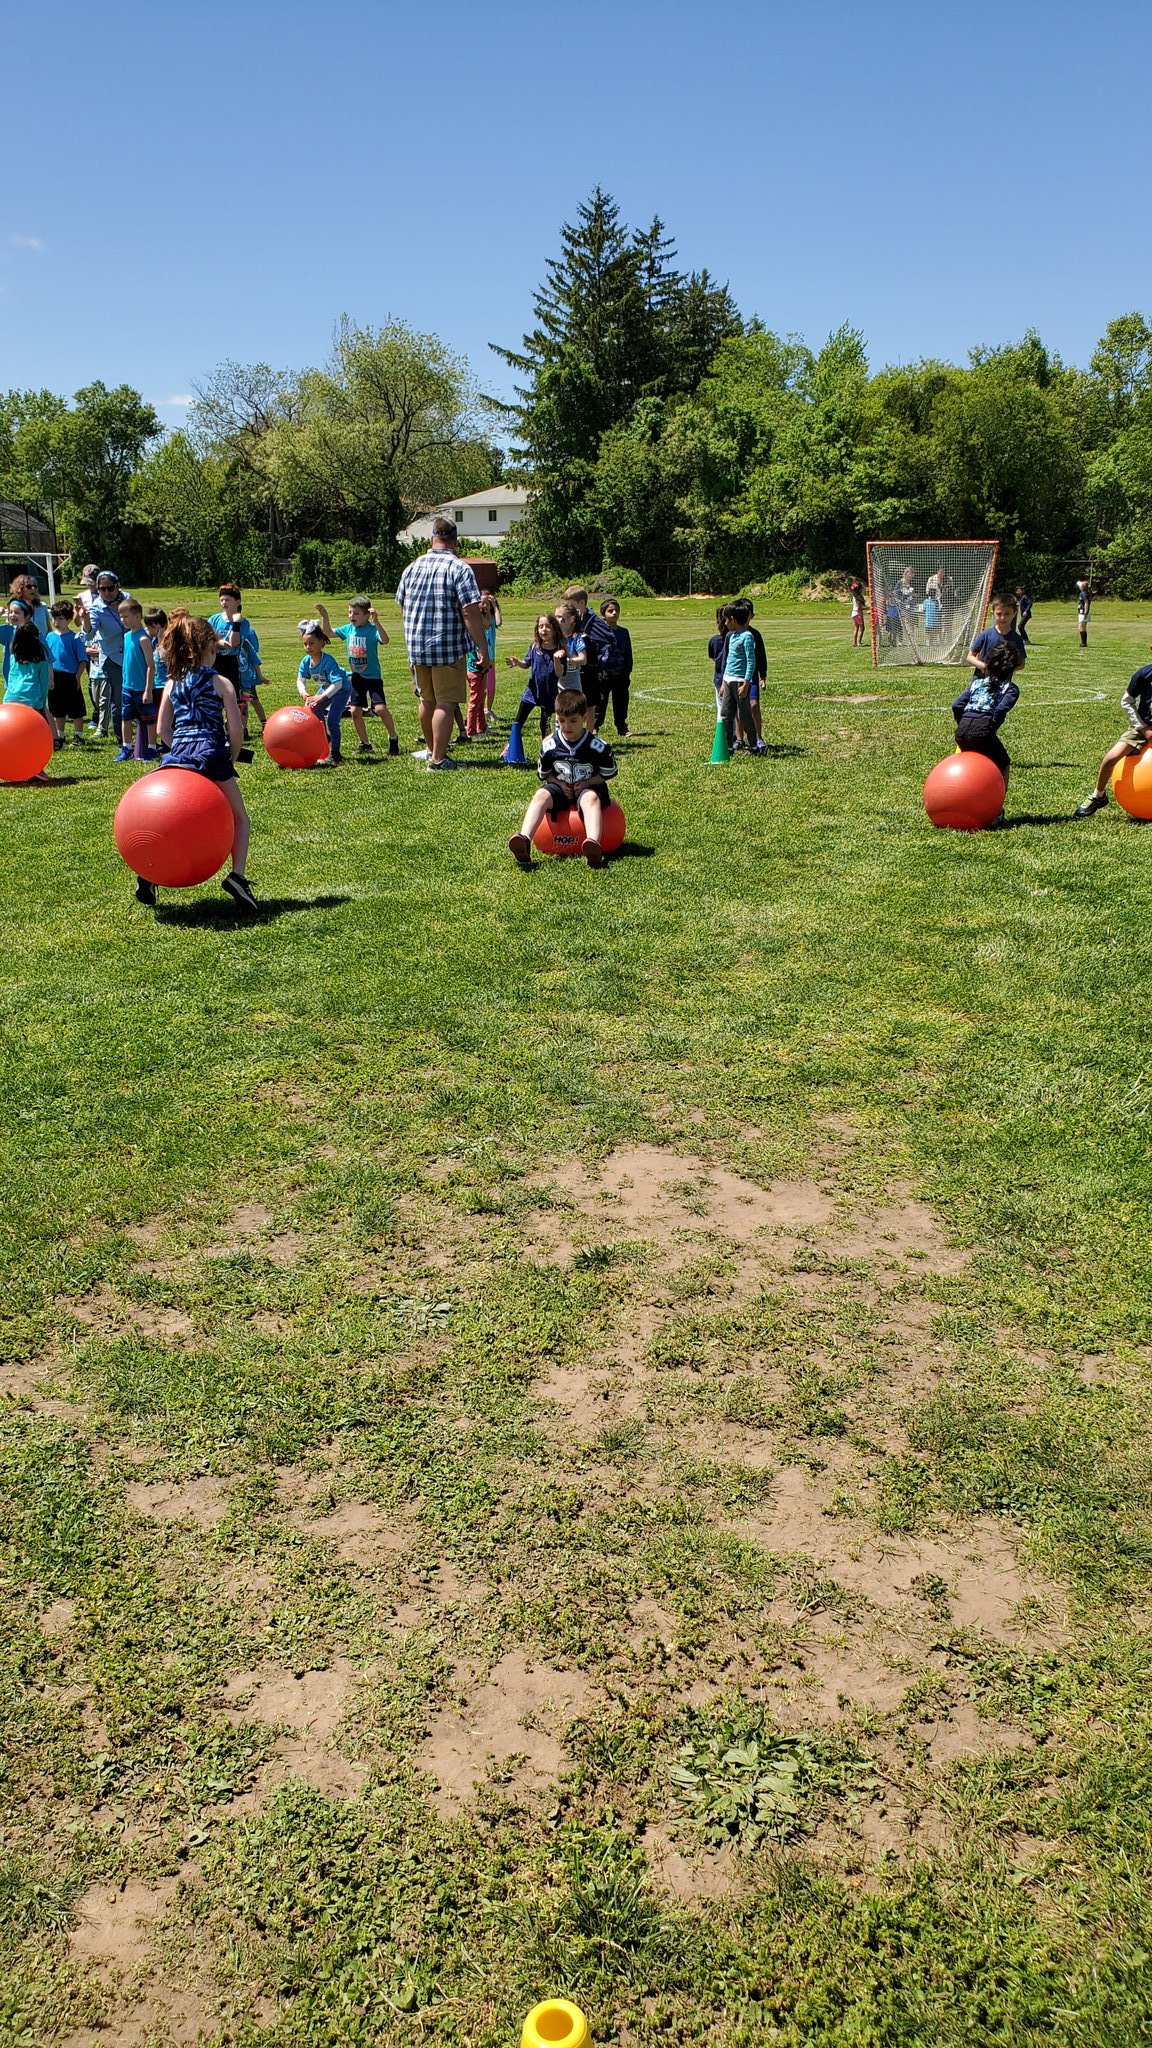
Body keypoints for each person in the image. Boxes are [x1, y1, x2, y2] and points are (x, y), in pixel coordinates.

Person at [148, 613, 256, 910]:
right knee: (240, 818)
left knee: (167, 817)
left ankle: (148, 871)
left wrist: (181, 747)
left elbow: (161, 730)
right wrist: (228, 758)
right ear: (210, 646)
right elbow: (236, 731)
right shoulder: (222, 683)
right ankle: (238, 876)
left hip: (178, 753)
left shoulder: (172, 682)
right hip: (210, 751)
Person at [395, 515, 490, 770]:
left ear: (432, 538)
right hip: (446, 647)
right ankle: (438, 759)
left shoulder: (412, 567)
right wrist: (482, 647)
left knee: (426, 700)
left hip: (416, 646)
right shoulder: (459, 568)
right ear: (455, 540)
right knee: (446, 703)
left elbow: (402, 604)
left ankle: (431, 751)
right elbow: (470, 611)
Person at [508, 687, 618, 869]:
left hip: (588, 789)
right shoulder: (550, 745)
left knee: (590, 798)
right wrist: (558, 783)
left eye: (573, 721)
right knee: (540, 795)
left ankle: (593, 846)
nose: (567, 726)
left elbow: (609, 772)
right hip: (560, 788)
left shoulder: (597, 747)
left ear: (584, 718)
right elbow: (544, 774)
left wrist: (588, 782)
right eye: (562, 721)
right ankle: (524, 840)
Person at [951, 638, 1022, 824]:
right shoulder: (1011, 689)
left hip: (962, 732)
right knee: (1004, 763)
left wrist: (963, 723)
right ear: (1012, 668)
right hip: (982, 730)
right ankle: (997, 810)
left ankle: (960, 801)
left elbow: (957, 705)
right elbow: (1000, 711)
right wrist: (989, 728)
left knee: (976, 766)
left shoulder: (977, 683)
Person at [316, 598, 399, 756]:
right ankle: (365, 744)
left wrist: (377, 622)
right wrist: (325, 616)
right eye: (349, 612)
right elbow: (328, 633)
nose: (351, 616)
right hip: (357, 678)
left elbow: (385, 640)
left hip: (373, 678)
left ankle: (393, 737)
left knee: (380, 709)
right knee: (355, 711)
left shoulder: (372, 630)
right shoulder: (348, 629)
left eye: (356, 613)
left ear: (367, 615)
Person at [1073, 657, 1152, 817]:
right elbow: (1126, 701)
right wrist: (1143, 728)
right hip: (1142, 728)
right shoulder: (1144, 674)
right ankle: (1098, 795)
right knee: (1110, 758)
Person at [2, 612, 53, 780]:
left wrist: (7, 699)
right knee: (35, 740)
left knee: (9, 738)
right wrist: (41, 705)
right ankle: (37, 767)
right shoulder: (41, 660)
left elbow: (11, 677)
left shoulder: (14, 656)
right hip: (31, 702)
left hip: (10, 700)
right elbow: (43, 684)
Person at [505, 612, 568, 747]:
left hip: (549, 693)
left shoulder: (560, 650)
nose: (544, 630)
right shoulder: (535, 647)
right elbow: (526, 664)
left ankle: (546, 749)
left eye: (547, 626)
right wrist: (518, 663)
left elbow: (560, 673)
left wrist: (557, 660)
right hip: (532, 691)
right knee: (518, 721)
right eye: (541, 626)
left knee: (544, 724)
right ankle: (509, 748)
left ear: (554, 630)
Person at [296, 619, 352, 766]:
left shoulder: (328, 661)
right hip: (327, 687)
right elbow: (300, 679)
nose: (308, 647)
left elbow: (338, 683)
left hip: (341, 689)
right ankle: (326, 738)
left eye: (312, 643)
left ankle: (336, 753)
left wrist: (321, 696)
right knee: (313, 710)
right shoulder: (306, 662)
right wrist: (304, 693)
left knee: (333, 720)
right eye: (305, 644)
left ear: (322, 642)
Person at [563, 584, 615, 730]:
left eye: (571, 604)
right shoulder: (572, 619)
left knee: (590, 704)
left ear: (581, 603)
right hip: (574, 669)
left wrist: (599, 658)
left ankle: (591, 733)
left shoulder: (594, 621)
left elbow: (610, 639)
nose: (568, 607)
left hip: (590, 669)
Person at [87, 570, 131, 741]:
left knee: (136, 693)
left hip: (131, 653)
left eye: (110, 588)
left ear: (117, 586)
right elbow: (89, 634)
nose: (106, 592)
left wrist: (121, 609)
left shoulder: (127, 598)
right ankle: (123, 740)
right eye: (101, 589)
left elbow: (136, 621)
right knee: (118, 697)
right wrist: (84, 622)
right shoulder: (97, 607)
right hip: (112, 656)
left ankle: (140, 735)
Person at [116, 598, 158, 761]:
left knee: (149, 720)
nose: (122, 620)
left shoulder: (144, 639)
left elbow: (150, 665)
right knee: (125, 718)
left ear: (137, 616)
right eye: (121, 617)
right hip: (127, 687)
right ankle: (126, 748)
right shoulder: (127, 637)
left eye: (125, 616)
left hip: (142, 688)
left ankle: (152, 749)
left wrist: (148, 689)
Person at [45, 600, 90, 746]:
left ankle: (79, 736)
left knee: (75, 708)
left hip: (70, 676)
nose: (56, 622)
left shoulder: (75, 638)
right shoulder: (49, 637)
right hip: (54, 676)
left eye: (60, 619)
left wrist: (77, 676)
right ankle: (60, 735)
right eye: (54, 618)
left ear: (69, 619)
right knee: (57, 709)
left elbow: (83, 660)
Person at [719, 601, 760, 753]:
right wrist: (724, 682)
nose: (724, 622)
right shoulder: (731, 636)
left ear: (734, 620)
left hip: (740, 682)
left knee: (744, 715)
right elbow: (729, 660)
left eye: (727, 619)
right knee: (726, 714)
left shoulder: (747, 637)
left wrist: (746, 683)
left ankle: (753, 744)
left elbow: (751, 661)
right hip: (729, 680)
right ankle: (727, 745)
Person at [967, 593, 1027, 678]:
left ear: (1014, 613)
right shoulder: (986, 635)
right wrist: (982, 666)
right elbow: (970, 656)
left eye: (1007, 614)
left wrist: (1005, 668)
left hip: (1003, 683)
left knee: (1014, 691)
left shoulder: (1016, 639)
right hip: (980, 681)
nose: (1002, 617)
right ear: (993, 613)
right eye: (999, 614)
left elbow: (1021, 664)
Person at [600, 598, 633, 735]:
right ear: (603, 613)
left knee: (621, 702)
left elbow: (628, 653)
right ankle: (595, 725)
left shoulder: (623, 632)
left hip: (620, 674)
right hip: (603, 674)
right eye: (610, 611)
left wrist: (627, 671)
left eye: (616, 611)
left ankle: (622, 727)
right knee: (600, 702)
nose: (614, 613)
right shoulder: (599, 631)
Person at [8, 572, 50, 638]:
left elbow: (49, 630)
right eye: (29, 586)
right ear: (20, 589)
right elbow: (11, 629)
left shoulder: (42, 606)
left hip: (42, 646)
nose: (33, 589)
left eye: (35, 586)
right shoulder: (15, 607)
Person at [850, 580, 867, 649]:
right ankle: (859, 643)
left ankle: (855, 643)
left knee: (856, 628)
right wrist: (868, 608)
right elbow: (858, 608)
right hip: (858, 614)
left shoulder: (854, 596)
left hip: (853, 613)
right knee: (862, 628)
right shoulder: (858, 597)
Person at [1076, 578, 1091, 649]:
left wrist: (1085, 612)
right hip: (1082, 612)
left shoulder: (1083, 594)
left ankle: (1083, 643)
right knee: (1082, 627)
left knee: (1081, 628)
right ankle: (1083, 642)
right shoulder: (1085, 593)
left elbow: (1086, 602)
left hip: (1083, 613)